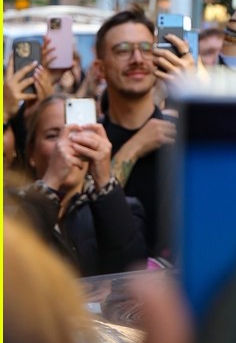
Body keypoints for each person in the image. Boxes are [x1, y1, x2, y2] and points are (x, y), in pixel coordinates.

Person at [12, 93, 147, 276]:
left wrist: (104, 181)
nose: (65, 144)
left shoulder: (123, 208)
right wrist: (51, 182)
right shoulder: (10, 208)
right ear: (31, 153)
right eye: (53, 136)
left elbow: (132, 272)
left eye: (77, 134)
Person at [93, 8, 180, 259]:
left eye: (146, 48)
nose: (138, 59)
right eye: (123, 50)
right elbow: (85, 214)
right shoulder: (89, 141)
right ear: (100, 68)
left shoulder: (182, 138)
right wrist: (134, 147)